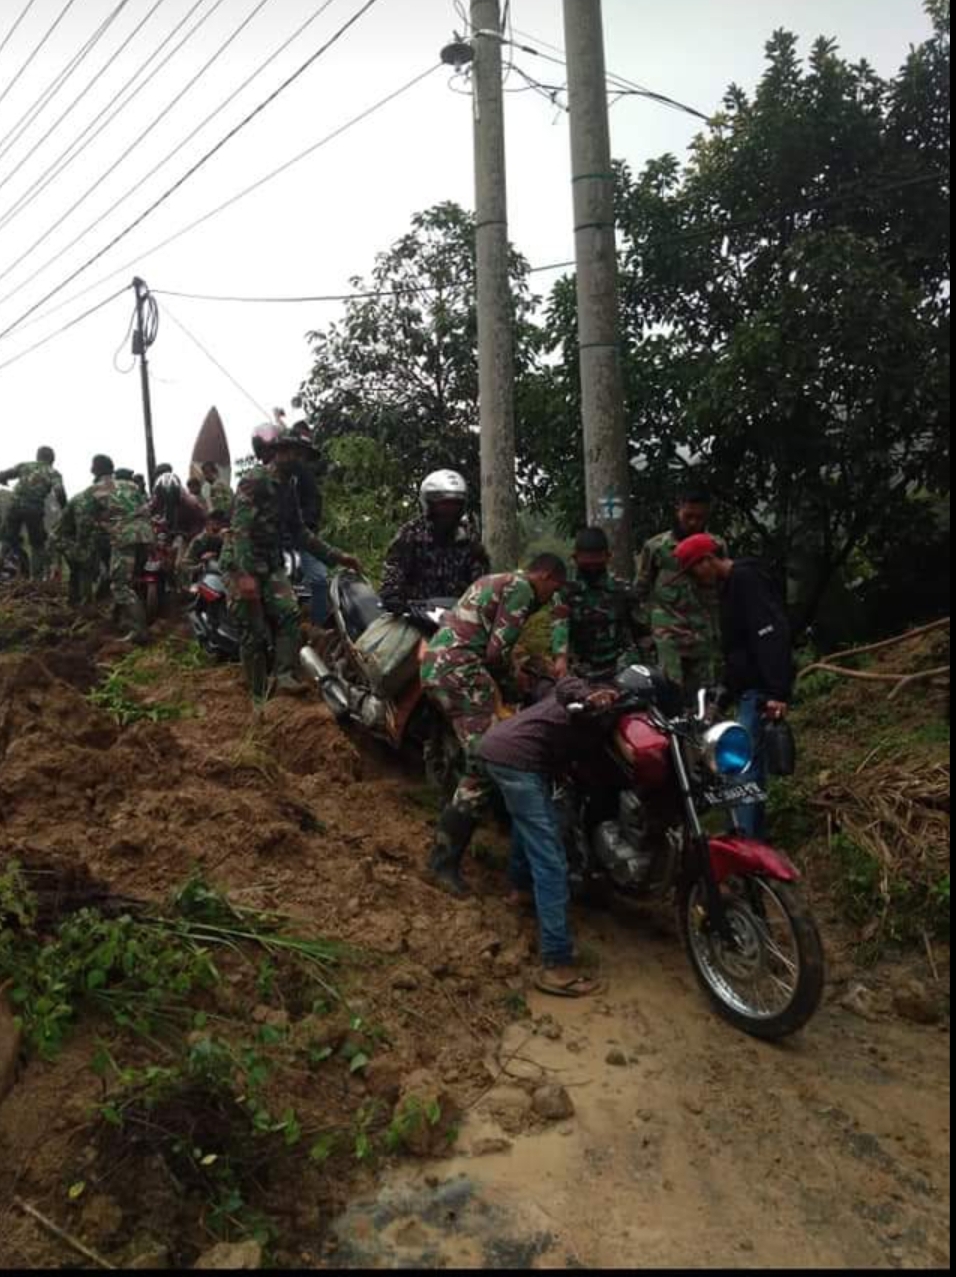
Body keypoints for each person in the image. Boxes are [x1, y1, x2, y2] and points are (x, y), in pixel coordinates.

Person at [422, 555, 569, 896]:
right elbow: (496, 653)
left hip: (440, 666)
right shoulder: (523, 589)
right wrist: (514, 686)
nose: (549, 598)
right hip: (461, 671)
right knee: (486, 762)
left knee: (482, 752)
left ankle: (470, 832)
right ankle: (443, 862)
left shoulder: (499, 580)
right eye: (553, 589)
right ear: (546, 576)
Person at [479, 678, 619, 997]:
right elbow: (568, 686)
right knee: (551, 861)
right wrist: (592, 697)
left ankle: (520, 890)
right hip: (517, 761)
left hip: (502, 749)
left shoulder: (588, 708)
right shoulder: (589, 702)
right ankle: (556, 965)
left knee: (529, 825)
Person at [219, 424, 361, 699]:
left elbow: (300, 532)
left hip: (270, 563)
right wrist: (245, 577)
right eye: (297, 453)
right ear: (280, 452)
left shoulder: (289, 487)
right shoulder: (255, 480)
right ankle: (258, 694)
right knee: (252, 629)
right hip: (241, 562)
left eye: (304, 456)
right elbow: (240, 531)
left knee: (289, 614)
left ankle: (284, 675)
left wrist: (337, 556)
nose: (300, 460)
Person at [674, 533, 794, 838]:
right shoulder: (730, 587)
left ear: (707, 561)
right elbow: (739, 649)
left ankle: (746, 843)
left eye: (693, 570)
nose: (694, 579)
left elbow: (769, 635)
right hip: (748, 689)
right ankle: (751, 837)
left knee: (740, 767)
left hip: (760, 690)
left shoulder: (745, 580)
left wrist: (777, 692)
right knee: (746, 766)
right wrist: (724, 693)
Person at [635, 487, 727, 699]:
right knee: (670, 695)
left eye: (700, 517)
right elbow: (640, 590)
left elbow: (725, 591)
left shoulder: (716, 546)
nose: (693, 523)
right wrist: (645, 632)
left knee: (706, 699)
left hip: (704, 639)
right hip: (668, 638)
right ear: (678, 510)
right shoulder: (656, 547)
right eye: (688, 516)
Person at [380, 470, 490, 619]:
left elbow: (481, 583)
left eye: (454, 505)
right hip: (414, 616)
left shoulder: (469, 537)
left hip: (459, 618)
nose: (449, 511)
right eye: (443, 505)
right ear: (429, 505)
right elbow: (392, 575)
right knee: (382, 633)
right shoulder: (410, 534)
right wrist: (398, 600)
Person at [553, 527, 646, 681]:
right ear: (575, 558)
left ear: (608, 557)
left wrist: (648, 667)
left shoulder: (623, 590)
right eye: (587, 564)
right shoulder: (566, 592)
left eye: (597, 563)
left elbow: (642, 632)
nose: (592, 569)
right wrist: (560, 658)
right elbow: (560, 625)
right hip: (579, 668)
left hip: (621, 667)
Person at [49, 455, 114, 605]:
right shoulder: (87, 497)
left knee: (102, 563)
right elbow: (83, 530)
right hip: (65, 539)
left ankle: (93, 598)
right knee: (84, 565)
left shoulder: (106, 492)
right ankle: (83, 603)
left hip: (85, 536)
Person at [0, 446, 67, 578]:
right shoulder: (53, 472)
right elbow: (59, 492)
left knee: (8, 539)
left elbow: (3, 475)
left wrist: (4, 481)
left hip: (14, 506)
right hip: (34, 510)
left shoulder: (25, 466)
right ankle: (36, 579)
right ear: (52, 459)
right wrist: (65, 509)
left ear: (37, 456)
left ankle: (1, 565)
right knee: (37, 544)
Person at [183, 509, 229, 576]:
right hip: (203, 576)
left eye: (222, 528)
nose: (219, 533)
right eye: (215, 530)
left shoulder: (229, 540)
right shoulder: (199, 541)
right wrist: (202, 564)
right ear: (208, 525)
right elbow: (185, 566)